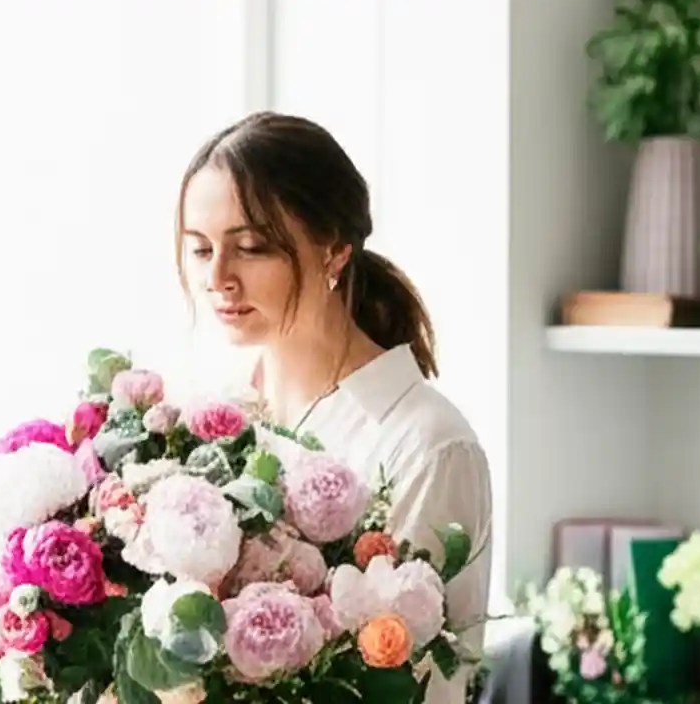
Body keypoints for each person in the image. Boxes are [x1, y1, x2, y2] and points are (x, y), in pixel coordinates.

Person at [174, 111, 494, 703]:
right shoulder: (214, 422)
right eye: (199, 250)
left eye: (251, 248)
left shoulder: (425, 444)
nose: (218, 277)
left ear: (334, 253)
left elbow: (423, 685)